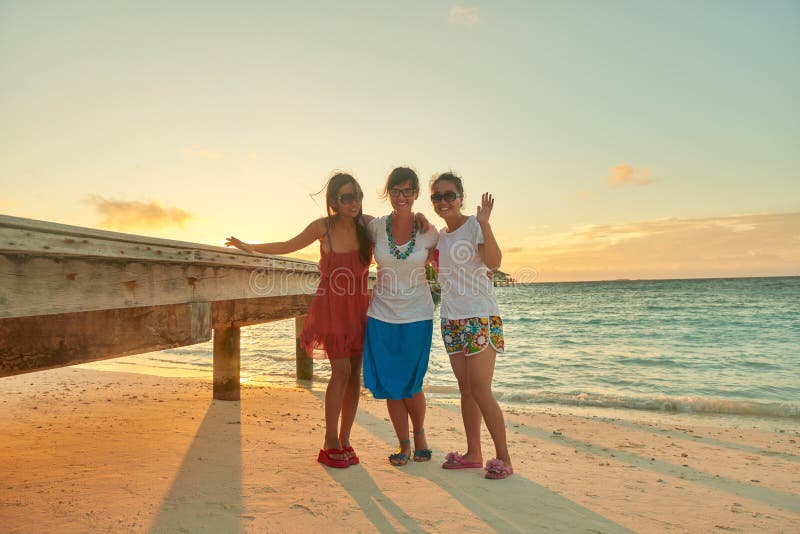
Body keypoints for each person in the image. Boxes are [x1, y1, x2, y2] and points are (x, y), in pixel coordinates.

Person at [226, 172, 372, 469]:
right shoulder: (323, 228)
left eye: (357, 196)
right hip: (331, 308)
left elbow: (399, 229)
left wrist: (420, 218)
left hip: (359, 308)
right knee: (341, 371)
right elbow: (287, 244)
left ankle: (345, 438)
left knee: (355, 375)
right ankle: (330, 439)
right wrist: (251, 247)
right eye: (347, 197)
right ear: (334, 201)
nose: (354, 202)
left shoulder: (368, 225)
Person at [430, 171, 513, 480]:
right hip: (451, 319)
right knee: (466, 389)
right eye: (437, 196)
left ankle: (504, 457)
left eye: (449, 195)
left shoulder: (474, 226)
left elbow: (494, 262)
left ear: (460, 197)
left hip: (480, 317)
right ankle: (473, 453)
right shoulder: (440, 236)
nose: (443, 201)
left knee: (480, 389)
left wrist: (486, 224)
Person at [363, 167, 438, 466]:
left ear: (417, 194)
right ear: (388, 193)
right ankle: (403, 445)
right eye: (396, 190)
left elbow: (456, 256)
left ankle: (420, 436)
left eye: (408, 190)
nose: (401, 196)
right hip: (381, 314)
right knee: (392, 384)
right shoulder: (375, 228)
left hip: (418, 315)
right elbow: (342, 227)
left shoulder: (429, 232)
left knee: (412, 382)